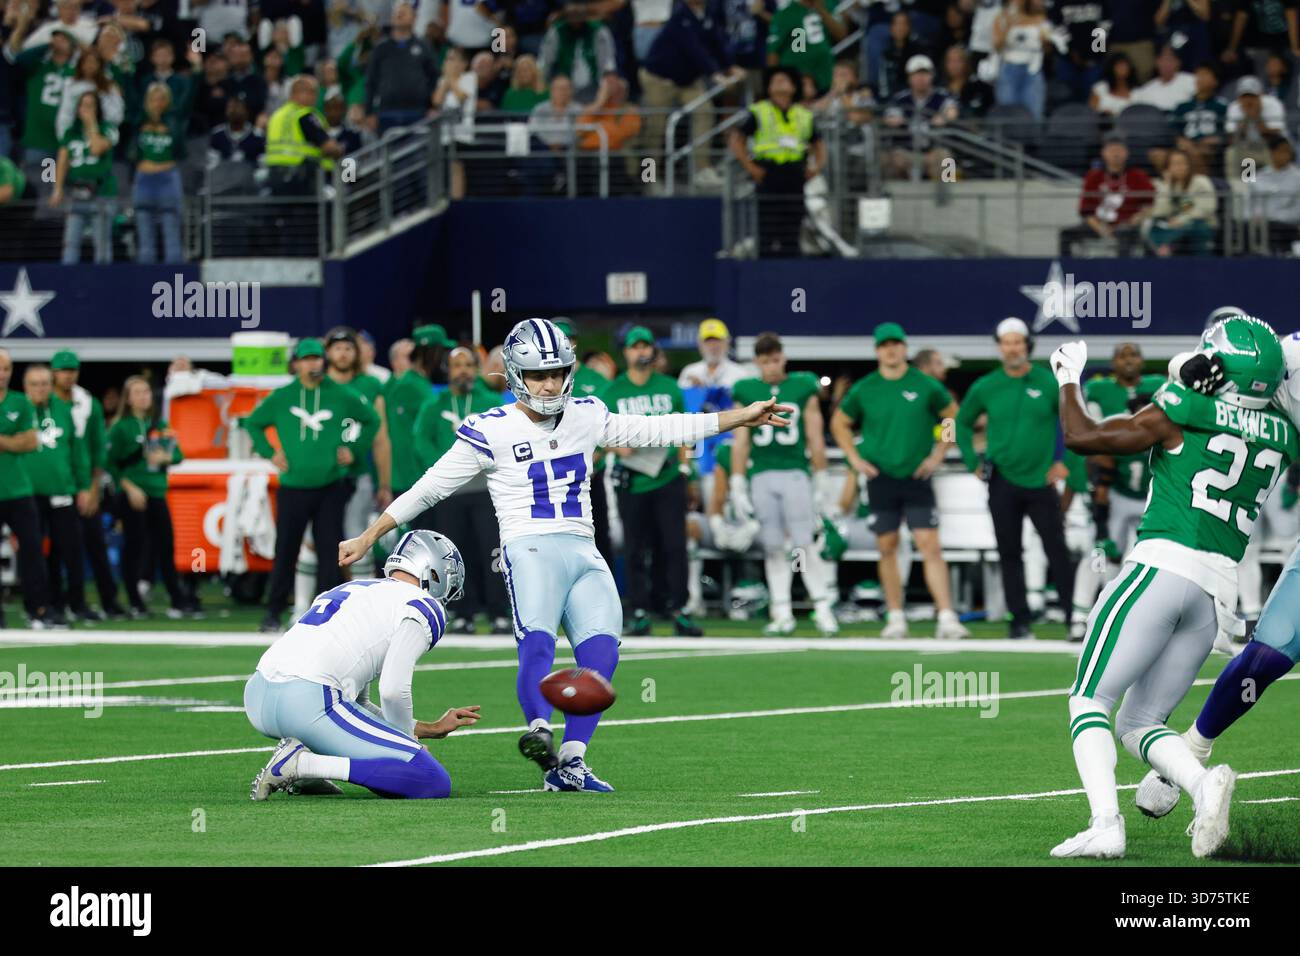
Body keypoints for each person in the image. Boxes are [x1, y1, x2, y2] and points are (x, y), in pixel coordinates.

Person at [339, 318, 793, 791]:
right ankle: (538, 729)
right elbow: (430, 487)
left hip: (583, 547)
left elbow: (660, 429)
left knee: (603, 651)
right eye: (538, 374)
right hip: (530, 546)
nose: (550, 382)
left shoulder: (586, 414)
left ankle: (570, 761)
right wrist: (370, 535)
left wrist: (740, 416)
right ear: (516, 375)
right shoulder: (489, 428)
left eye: (556, 371)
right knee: (537, 642)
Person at [1046, 315, 1291, 859]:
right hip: (1213, 596)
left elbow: (1082, 437)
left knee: (1089, 700)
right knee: (1141, 723)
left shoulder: (1188, 405)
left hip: (1159, 569)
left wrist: (1068, 377)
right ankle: (1205, 787)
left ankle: (1106, 823)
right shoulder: (1286, 431)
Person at [1135, 323, 1300, 820]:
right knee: (1268, 655)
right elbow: (1211, 365)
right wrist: (1184, 368)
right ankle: (1195, 746)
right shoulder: (1292, 353)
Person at [248, 529, 481, 800]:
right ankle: (303, 765)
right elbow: (394, 688)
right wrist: (407, 743)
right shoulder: (423, 604)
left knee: (384, 753)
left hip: (258, 696)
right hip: (308, 702)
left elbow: (356, 706)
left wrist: (428, 728)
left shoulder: (349, 589)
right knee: (429, 779)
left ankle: (309, 766)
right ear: (435, 574)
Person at [831, 322, 969, 640]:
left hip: (916, 476)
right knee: (887, 546)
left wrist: (937, 455)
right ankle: (895, 616)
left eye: (896, 344)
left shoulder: (924, 383)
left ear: (905, 347)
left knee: (929, 545)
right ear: (877, 350)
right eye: (884, 345)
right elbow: (840, 421)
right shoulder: (866, 387)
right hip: (881, 475)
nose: (891, 350)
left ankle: (946, 616)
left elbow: (952, 415)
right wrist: (853, 457)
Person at [243, 337, 379, 633]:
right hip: (293, 485)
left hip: (331, 484)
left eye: (317, 358)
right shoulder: (282, 396)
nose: (313, 363)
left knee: (330, 548)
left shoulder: (341, 394)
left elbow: (371, 420)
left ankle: (327, 613)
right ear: (297, 364)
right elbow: (252, 423)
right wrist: (270, 453)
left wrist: (353, 449)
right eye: (307, 359)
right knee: (286, 550)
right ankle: (273, 612)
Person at [955, 317, 1075, 640]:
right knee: (1009, 552)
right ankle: (1018, 622)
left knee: (1057, 549)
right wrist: (970, 459)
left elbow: (1074, 421)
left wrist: (1064, 462)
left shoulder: (1049, 382)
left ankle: (1073, 617)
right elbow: (961, 423)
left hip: (1041, 480)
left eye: (1017, 342)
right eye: (1006, 342)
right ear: (999, 347)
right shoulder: (986, 385)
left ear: (1028, 346)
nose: (1012, 348)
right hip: (1002, 479)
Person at [727, 332, 837, 635]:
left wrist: (821, 474)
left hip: (794, 472)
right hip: (761, 474)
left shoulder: (802, 385)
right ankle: (781, 611)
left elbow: (815, 434)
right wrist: (737, 480)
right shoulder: (747, 389)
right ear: (756, 362)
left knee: (805, 543)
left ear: (783, 357)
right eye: (765, 361)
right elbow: (741, 441)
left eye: (775, 360)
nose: (771, 367)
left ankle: (823, 606)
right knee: (773, 546)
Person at [601, 325, 703, 637]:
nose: (641, 352)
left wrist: (688, 473)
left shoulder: (670, 388)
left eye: (646, 346)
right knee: (634, 548)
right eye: (635, 347)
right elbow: (599, 432)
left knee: (674, 547)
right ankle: (640, 611)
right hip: (632, 479)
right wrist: (618, 447)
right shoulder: (614, 391)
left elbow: (685, 433)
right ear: (626, 352)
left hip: (667, 475)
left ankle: (679, 609)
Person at [1068, 343, 1166, 640]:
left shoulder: (1160, 387)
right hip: (1116, 489)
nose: (1128, 361)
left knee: (1154, 558)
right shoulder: (1099, 391)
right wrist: (1100, 490)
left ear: (1143, 359)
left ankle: (1140, 618)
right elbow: (1094, 439)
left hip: (1153, 489)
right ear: (1113, 362)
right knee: (1099, 551)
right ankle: (1080, 615)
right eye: (1122, 356)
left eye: (1134, 354)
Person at [412, 346, 510, 633]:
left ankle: (498, 612)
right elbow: (421, 442)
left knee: (492, 553)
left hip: (486, 492)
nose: (463, 370)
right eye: (457, 366)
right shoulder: (434, 404)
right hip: (450, 494)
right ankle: (461, 613)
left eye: (469, 365)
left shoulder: (490, 401)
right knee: (454, 555)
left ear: (477, 370)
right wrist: (446, 472)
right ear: (448, 370)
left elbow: (505, 437)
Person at [106, 374, 192, 618]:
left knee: (166, 545)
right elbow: (109, 465)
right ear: (128, 399)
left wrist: (166, 458)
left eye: (146, 392)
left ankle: (177, 600)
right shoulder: (120, 427)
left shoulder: (159, 424)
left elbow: (178, 455)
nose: (144, 397)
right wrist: (129, 487)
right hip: (133, 494)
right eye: (138, 393)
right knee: (134, 547)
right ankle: (135, 601)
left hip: (156, 491)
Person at [50, 349, 125, 618]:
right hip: (56, 486)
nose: (68, 375)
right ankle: (61, 603)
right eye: (63, 370)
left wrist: (92, 488)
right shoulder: (46, 404)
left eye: (72, 370)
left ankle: (107, 601)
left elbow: (97, 450)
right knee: (59, 549)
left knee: (95, 544)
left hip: (83, 485)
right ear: (54, 372)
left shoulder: (87, 403)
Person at [728, 66, 825, 258]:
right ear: (768, 88)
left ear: (794, 87)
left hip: (795, 174)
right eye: (775, 80)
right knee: (767, 231)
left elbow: (819, 143)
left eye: (785, 79)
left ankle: (790, 275)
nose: (780, 82)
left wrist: (816, 167)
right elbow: (736, 140)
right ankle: (765, 274)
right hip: (768, 173)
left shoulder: (804, 115)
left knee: (792, 229)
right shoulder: (758, 111)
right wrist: (751, 167)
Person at [22, 364, 92, 623]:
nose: (40, 389)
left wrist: (83, 486)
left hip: (62, 490)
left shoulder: (64, 411)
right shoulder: (18, 410)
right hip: (27, 493)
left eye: (44, 383)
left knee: (71, 549)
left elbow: (78, 452)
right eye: (34, 384)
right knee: (34, 552)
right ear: (25, 386)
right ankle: (41, 604)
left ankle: (76, 603)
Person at [323, 326, 392, 584]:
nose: (343, 354)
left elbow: (381, 437)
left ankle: (359, 601)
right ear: (328, 352)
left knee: (358, 537)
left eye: (348, 348)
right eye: (337, 348)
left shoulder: (370, 385)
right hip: (319, 477)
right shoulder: (316, 384)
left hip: (358, 473)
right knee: (314, 541)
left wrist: (384, 482)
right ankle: (306, 605)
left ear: (357, 352)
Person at [0, 348, 59, 629]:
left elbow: (31, 442)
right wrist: (12, 440)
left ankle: (38, 609)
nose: (3, 373)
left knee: (33, 550)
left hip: (19, 489)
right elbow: (19, 441)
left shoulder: (20, 402)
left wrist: (7, 442)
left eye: (7, 368)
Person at [385, 323, 455, 502]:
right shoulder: (408, 386)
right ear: (429, 353)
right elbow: (399, 436)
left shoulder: (419, 383)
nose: (445, 358)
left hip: (421, 475)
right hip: (412, 478)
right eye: (441, 351)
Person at [1059, 133, 1154, 257]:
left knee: (1125, 234)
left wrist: (1136, 220)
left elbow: (1149, 204)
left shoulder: (1138, 175)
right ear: (1103, 153)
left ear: (1126, 153)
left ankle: (1122, 274)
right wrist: (1101, 229)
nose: (1116, 154)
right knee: (1066, 234)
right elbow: (1086, 212)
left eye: (1119, 150)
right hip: (1099, 225)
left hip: (1128, 225)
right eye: (1112, 150)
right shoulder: (1093, 176)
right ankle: (1068, 273)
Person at [52, 92, 119, 265]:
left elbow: (96, 148)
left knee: (102, 245)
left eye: (91, 105)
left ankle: (103, 284)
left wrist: (91, 124)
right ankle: (67, 283)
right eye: (83, 105)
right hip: (77, 194)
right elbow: (62, 160)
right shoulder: (71, 132)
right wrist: (58, 189)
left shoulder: (108, 129)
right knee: (70, 243)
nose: (86, 109)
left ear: (97, 109)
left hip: (102, 194)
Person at [881, 54, 958, 181]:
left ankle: (948, 199)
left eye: (925, 74)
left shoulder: (942, 95)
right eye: (916, 74)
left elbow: (952, 112)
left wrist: (944, 118)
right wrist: (898, 121)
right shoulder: (901, 99)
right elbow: (890, 118)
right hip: (907, 151)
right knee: (892, 160)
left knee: (947, 160)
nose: (920, 78)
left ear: (932, 76)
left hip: (933, 150)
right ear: (909, 77)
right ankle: (900, 197)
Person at [133, 81, 186, 264]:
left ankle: (174, 281)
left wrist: (196, 73)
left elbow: (188, 101)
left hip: (167, 177)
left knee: (172, 230)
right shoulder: (138, 121)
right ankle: (144, 282)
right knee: (145, 235)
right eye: (154, 99)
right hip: (144, 178)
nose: (158, 103)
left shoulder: (175, 121)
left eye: (162, 99)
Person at [1144, 146, 1216, 256]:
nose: (1179, 167)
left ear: (1189, 165)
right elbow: (1161, 211)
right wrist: (1167, 186)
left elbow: (1206, 208)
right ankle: (1164, 251)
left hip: (1199, 224)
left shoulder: (1200, 182)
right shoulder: (1170, 186)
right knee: (1152, 225)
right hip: (1174, 225)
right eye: (1174, 164)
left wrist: (1181, 220)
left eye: (1182, 163)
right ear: (1168, 167)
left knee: (1195, 228)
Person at [766, 0, 844, 95]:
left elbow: (841, 34)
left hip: (825, 74)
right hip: (797, 80)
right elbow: (773, 51)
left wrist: (821, 10)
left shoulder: (828, 6)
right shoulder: (785, 13)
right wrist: (771, 80)